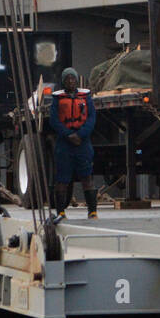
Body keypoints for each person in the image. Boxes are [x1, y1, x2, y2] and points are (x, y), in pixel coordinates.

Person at [49, 67, 98, 219]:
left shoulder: (85, 97)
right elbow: (54, 121)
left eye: (73, 78)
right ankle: (61, 211)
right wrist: (68, 134)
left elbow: (91, 118)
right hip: (64, 143)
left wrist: (80, 134)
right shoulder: (57, 99)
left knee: (86, 177)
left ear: (76, 80)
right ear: (63, 81)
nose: (71, 81)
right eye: (68, 79)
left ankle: (92, 210)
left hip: (83, 143)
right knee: (62, 178)